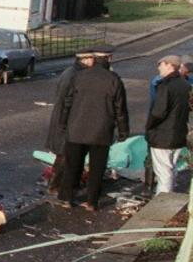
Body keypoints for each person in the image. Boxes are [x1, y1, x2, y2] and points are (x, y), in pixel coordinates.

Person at [58, 48, 129, 211]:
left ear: (94, 58)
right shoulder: (113, 79)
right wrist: (123, 131)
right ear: (109, 58)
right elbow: (120, 109)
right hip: (102, 130)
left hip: (76, 128)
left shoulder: (79, 76)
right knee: (97, 167)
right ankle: (92, 201)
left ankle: (67, 197)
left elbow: (67, 102)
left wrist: (63, 123)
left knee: (72, 164)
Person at [146, 55, 191, 194]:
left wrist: (149, 126)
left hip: (163, 135)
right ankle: (170, 197)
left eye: (161, 64)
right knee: (172, 168)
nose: (159, 68)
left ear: (169, 65)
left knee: (163, 172)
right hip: (179, 133)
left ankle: (163, 201)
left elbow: (158, 112)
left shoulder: (165, 86)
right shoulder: (185, 85)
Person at [45, 57, 84, 193]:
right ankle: (56, 185)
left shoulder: (72, 72)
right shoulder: (74, 75)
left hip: (65, 119)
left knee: (64, 154)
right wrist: (64, 121)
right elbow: (66, 100)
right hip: (66, 120)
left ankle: (57, 184)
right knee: (64, 154)